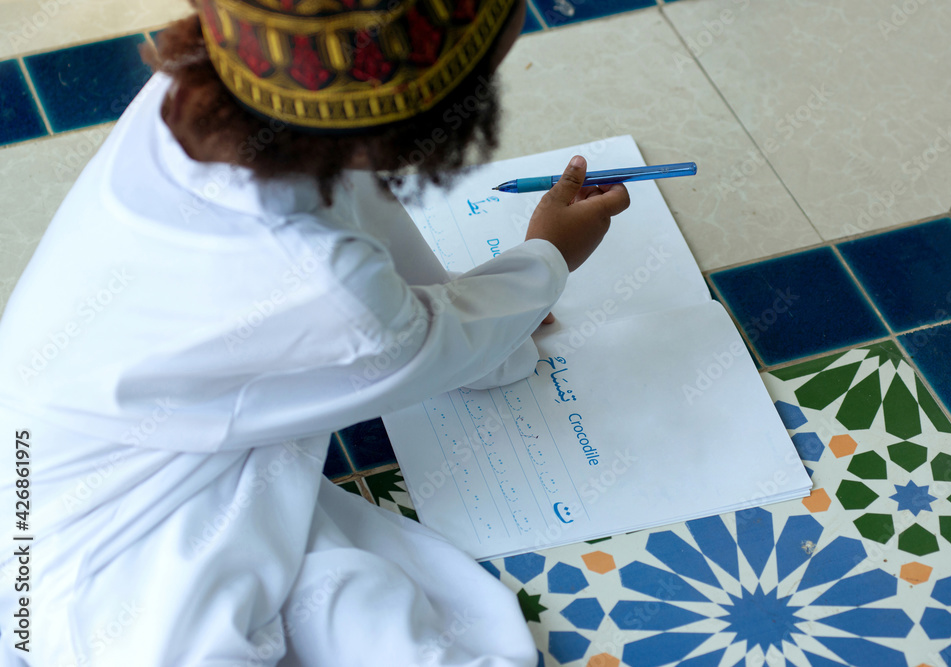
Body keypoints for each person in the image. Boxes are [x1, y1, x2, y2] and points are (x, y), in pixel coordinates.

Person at [0, 0, 629, 664]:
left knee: (336, 591)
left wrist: (498, 308)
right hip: (79, 559)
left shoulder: (208, 86)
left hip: (42, 454)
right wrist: (547, 260)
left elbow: (374, 234)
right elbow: (436, 346)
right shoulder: (330, 286)